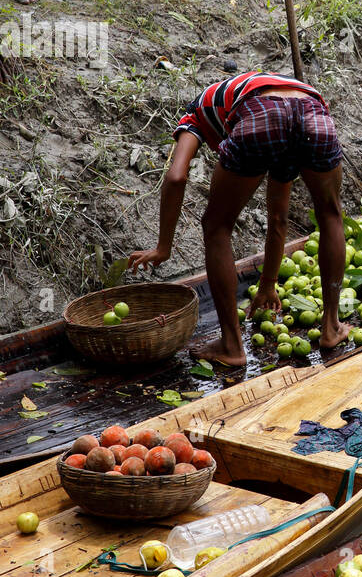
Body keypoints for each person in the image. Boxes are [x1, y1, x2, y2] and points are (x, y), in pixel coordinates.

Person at [129, 71, 350, 366]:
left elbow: (176, 176)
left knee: (217, 226)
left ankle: (232, 345)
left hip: (261, 113)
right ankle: (332, 327)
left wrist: (163, 247)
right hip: (312, 111)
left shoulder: (195, 114)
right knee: (331, 214)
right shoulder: (265, 103)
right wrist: (269, 283)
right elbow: (278, 218)